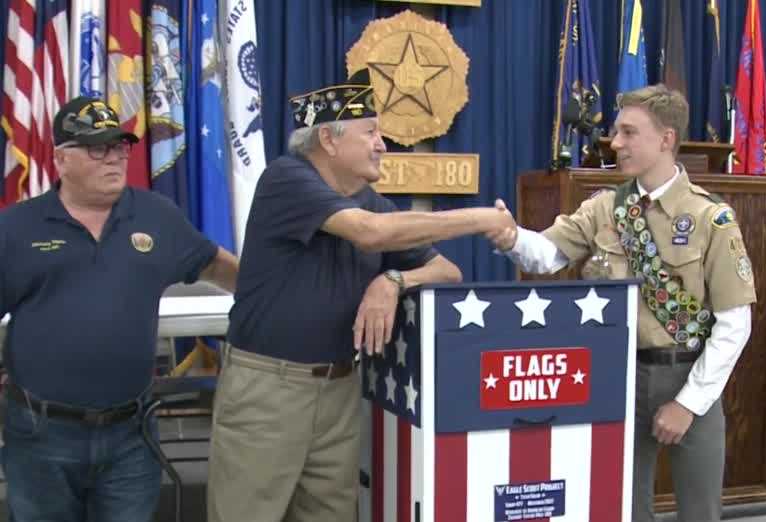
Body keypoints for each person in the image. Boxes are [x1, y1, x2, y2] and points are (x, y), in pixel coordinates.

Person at [207, 69, 515, 522]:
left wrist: (392, 282)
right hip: (268, 390)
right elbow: (369, 235)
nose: (381, 145)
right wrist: (482, 218)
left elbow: (446, 271)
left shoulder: (371, 201)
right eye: (370, 132)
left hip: (340, 390)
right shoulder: (286, 179)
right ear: (328, 141)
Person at [487, 84, 756, 522]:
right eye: (617, 131)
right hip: (619, 377)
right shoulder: (606, 208)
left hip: (691, 374)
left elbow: (734, 324)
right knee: (622, 507)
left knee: (700, 511)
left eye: (629, 132)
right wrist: (510, 236)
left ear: (666, 139)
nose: (615, 143)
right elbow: (547, 255)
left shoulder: (711, 218)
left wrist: (688, 403)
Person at [0, 96, 238, 521]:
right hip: (41, 434)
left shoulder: (155, 216)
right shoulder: (17, 228)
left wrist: (283, 289)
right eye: (97, 148)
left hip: (130, 433)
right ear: (61, 159)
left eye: (119, 147)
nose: (113, 158)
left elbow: (218, 267)